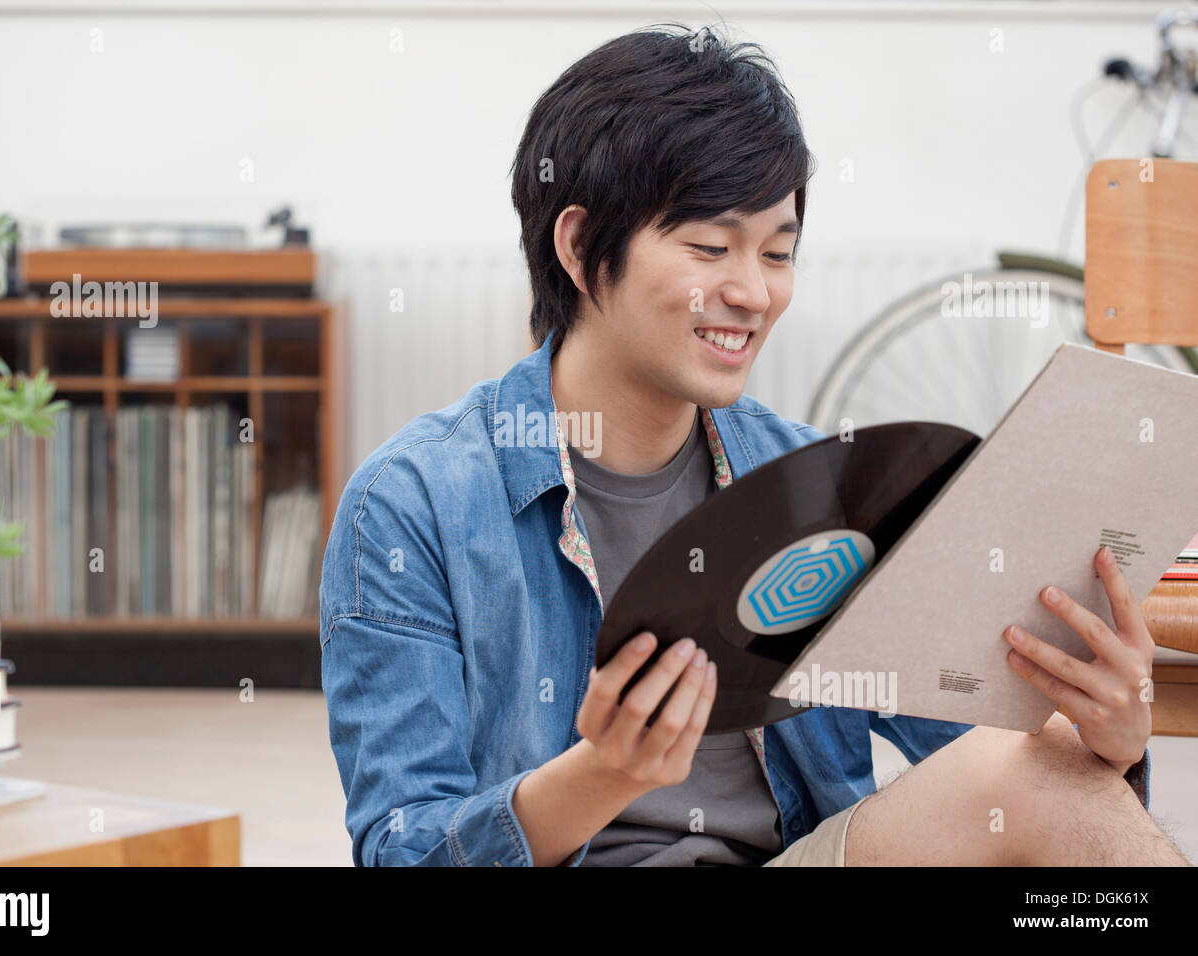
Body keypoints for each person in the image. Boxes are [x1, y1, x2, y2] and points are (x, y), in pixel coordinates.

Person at [319, 22, 1186, 867]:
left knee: (1046, 777)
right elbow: (405, 848)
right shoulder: (413, 504)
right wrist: (601, 775)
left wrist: (1106, 734)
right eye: (708, 247)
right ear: (581, 248)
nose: (752, 292)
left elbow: (984, 755)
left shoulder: (831, 485)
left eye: (778, 252)